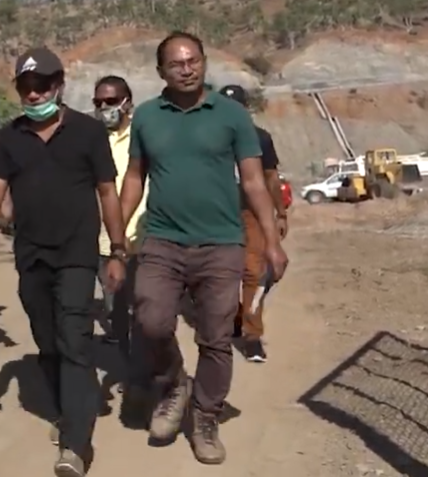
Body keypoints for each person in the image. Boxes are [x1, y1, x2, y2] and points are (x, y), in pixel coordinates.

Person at [118, 32, 288, 466]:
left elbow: (253, 181)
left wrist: (271, 241)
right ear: (161, 72)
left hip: (222, 243)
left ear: (204, 62)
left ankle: (206, 415)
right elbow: (135, 177)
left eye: (193, 60)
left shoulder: (231, 114)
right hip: (162, 239)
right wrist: (116, 235)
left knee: (215, 338)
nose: (187, 68)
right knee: (152, 321)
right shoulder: (147, 117)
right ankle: (175, 384)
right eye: (176, 63)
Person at [0, 47, 126, 477]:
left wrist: (116, 250)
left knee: (75, 337)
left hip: (77, 254)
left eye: (42, 85)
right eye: (26, 87)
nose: (34, 93)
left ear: (59, 85)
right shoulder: (10, 137)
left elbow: (107, 192)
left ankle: (75, 445)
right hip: (32, 255)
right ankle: (69, 408)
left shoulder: (87, 132)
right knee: (48, 339)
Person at [218, 84, 288, 363]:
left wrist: (280, 213)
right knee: (222, 273)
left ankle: (252, 336)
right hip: (218, 213)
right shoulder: (208, 139)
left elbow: (271, 177)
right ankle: (233, 319)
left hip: (252, 213)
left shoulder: (260, 138)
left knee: (254, 272)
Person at [92, 75, 149, 400]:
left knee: (148, 314)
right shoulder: (90, 139)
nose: (104, 108)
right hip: (104, 243)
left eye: (110, 102)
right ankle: (134, 377)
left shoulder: (143, 137)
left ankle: (153, 376)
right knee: (119, 315)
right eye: (98, 103)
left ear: (127, 102)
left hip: (144, 238)